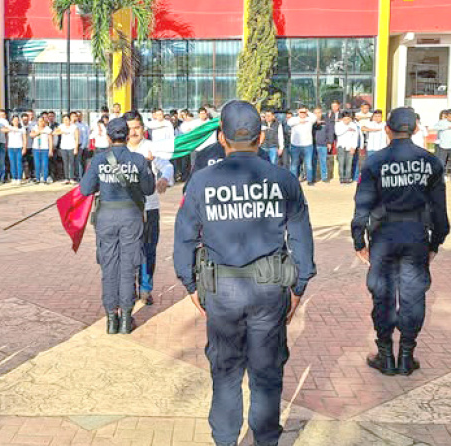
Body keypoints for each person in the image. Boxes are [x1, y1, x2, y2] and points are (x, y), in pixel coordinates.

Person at [174, 100, 315, 446]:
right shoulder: (283, 179)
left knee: (225, 373)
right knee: (266, 373)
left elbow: (184, 238)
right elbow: (301, 238)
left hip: (222, 290)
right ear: (261, 136)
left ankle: (225, 440)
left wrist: (190, 284)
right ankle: (265, 440)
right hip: (269, 290)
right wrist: (298, 286)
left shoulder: (201, 181)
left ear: (221, 137)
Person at [352, 107, 450, 377]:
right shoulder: (430, 162)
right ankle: (406, 356)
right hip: (417, 235)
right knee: (413, 294)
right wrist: (435, 243)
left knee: (382, 293)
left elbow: (362, 205)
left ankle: (386, 356)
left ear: (387, 130)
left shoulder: (374, 162)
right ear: (416, 129)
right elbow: (440, 209)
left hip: (384, 236)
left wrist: (358, 240)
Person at [80, 118, 155, 334]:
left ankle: (111, 319)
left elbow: (85, 189)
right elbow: (149, 189)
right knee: (128, 267)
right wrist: (148, 166)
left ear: (109, 137)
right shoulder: (139, 160)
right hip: (131, 216)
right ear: (127, 135)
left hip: (106, 217)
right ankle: (126, 320)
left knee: (109, 267)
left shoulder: (98, 160)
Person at [124, 111, 174, 306]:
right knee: (128, 250)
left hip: (150, 207)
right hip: (127, 210)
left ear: (143, 129)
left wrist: (163, 178)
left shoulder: (151, 148)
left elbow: (167, 166)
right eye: (129, 129)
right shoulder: (119, 151)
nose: (133, 132)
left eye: (137, 127)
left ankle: (146, 288)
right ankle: (129, 288)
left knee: (149, 249)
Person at [432, 109, 451, 186]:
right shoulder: (442, 122)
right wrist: (446, 127)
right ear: (447, 116)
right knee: (442, 163)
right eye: (449, 116)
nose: (450, 118)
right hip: (443, 146)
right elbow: (434, 127)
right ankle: (441, 179)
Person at [287, 108, 317, 183]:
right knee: (294, 164)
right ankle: (293, 180)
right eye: (301, 112)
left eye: (304, 112)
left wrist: (308, 111)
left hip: (308, 145)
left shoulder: (310, 119)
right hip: (295, 145)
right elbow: (289, 123)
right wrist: (299, 121)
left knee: (308, 164)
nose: (302, 114)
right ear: (298, 112)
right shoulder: (294, 119)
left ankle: (309, 180)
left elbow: (315, 118)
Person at [335, 111, 361, 184]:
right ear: (342, 119)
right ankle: (342, 178)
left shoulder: (353, 125)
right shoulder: (338, 124)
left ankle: (347, 178)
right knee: (341, 163)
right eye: (345, 119)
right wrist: (347, 129)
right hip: (341, 146)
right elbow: (338, 133)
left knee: (349, 163)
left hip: (350, 146)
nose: (347, 121)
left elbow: (355, 137)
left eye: (348, 119)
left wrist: (353, 147)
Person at [53, 114, 80, 184]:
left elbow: (77, 138)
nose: (65, 121)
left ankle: (72, 177)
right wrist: (61, 132)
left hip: (72, 146)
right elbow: (54, 132)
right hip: (63, 147)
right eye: (64, 120)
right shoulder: (61, 126)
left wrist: (76, 148)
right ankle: (66, 178)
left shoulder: (74, 127)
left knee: (72, 163)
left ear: (70, 120)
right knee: (65, 163)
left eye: (67, 120)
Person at [30, 117, 53, 183]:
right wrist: (38, 132)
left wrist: (50, 150)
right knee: (37, 164)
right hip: (36, 148)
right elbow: (31, 135)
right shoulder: (35, 128)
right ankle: (37, 178)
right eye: (39, 121)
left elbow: (50, 140)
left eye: (42, 121)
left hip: (45, 149)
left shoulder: (47, 129)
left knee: (45, 164)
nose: (41, 123)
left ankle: (44, 178)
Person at [5, 114, 27, 184]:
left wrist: (24, 148)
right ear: (12, 121)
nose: (16, 121)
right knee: (12, 163)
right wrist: (11, 129)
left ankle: (19, 178)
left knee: (19, 163)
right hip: (11, 148)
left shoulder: (22, 128)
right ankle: (14, 178)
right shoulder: (9, 127)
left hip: (19, 148)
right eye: (14, 120)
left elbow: (24, 139)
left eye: (17, 120)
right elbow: (3, 130)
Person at [312, 107, 331, 183]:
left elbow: (329, 133)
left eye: (319, 112)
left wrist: (329, 142)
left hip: (323, 145)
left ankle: (324, 177)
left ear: (321, 113)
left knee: (323, 162)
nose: (317, 114)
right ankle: (313, 177)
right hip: (313, 145)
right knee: (313, 162)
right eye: (315, 113)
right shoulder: (310, 122)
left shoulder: (325, 122)